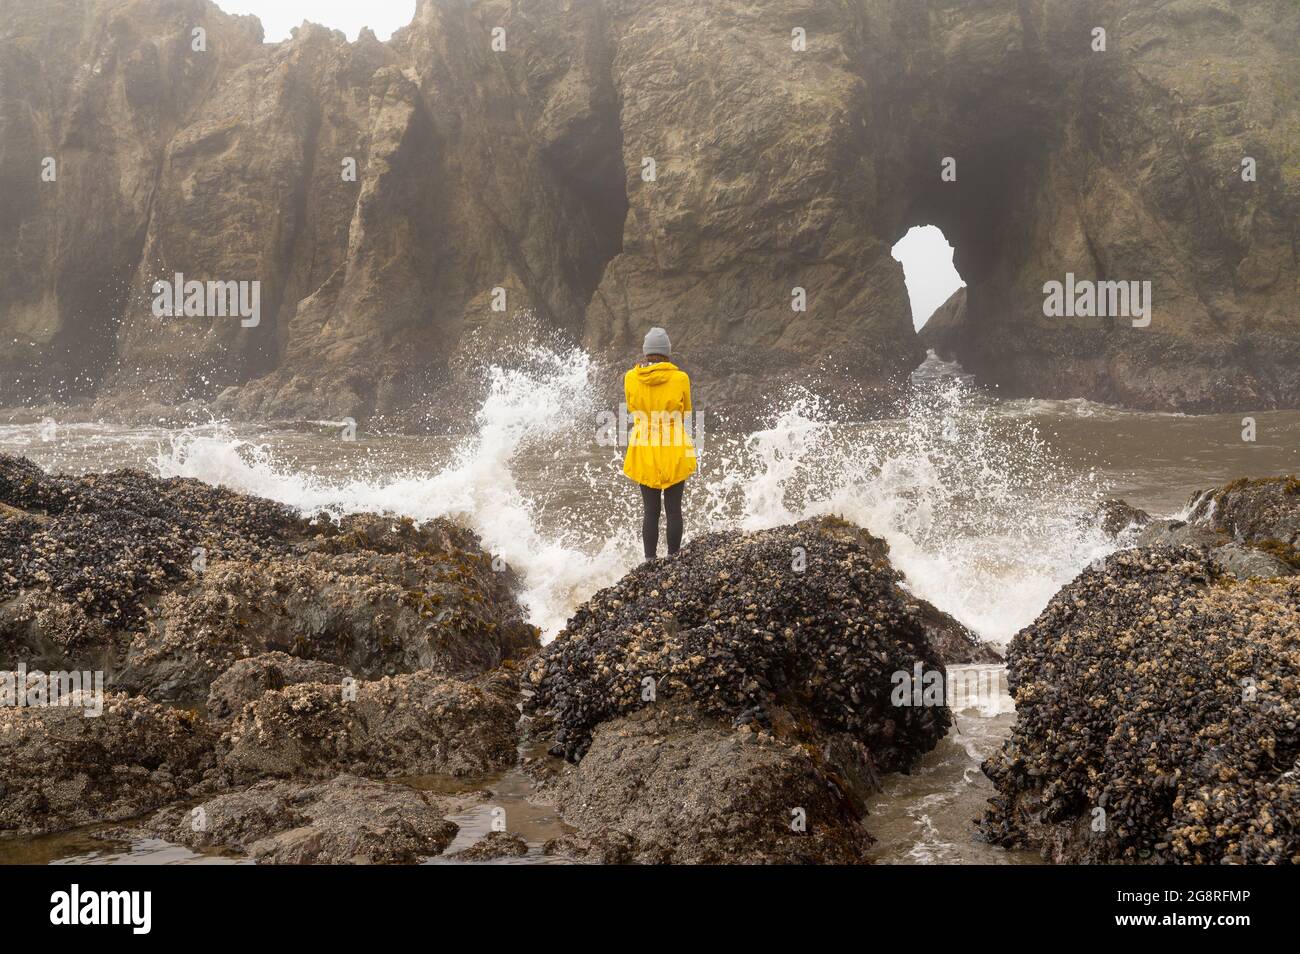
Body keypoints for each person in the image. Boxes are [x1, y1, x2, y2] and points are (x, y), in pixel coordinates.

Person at [623, 326, 696, 560]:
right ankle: (673, 558)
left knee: (650, 510)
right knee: (674, 509)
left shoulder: (630, 377)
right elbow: (685, 411)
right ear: (667, 352)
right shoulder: (680, 377)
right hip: (673, 444)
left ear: (646, 352)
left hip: (643, 445)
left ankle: (649, 561)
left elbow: (631, 407)